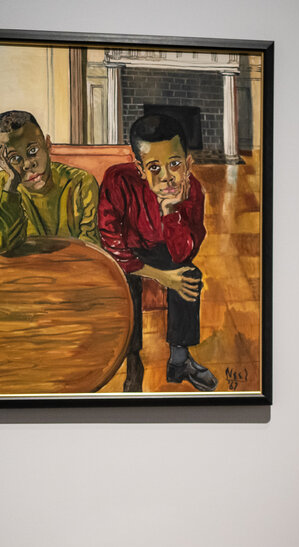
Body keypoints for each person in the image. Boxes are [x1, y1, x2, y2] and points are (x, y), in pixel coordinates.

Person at [98, 114, 217, 393]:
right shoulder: (117, 180)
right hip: (126, 250)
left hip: (162, 249)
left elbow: (184, 252)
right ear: (140, 168)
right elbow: (112, 245)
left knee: (188, 275)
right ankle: (132, 358)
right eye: (154, 167)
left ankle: (179, 359)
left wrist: (171, 211)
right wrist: (162, 278)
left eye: (175, 164)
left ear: (188, 163)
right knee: (126, 283)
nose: (167, 176)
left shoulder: (193, 190)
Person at [0, 110, 100, 254]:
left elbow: (92, 247)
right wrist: (11, 187)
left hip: (72, 269)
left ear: (47, 144)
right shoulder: (0, 185)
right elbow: (1, 245)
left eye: (33, 150)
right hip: (22, 270)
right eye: (14, 158)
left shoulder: (81, 182)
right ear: (1, 161)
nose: (27, 164)